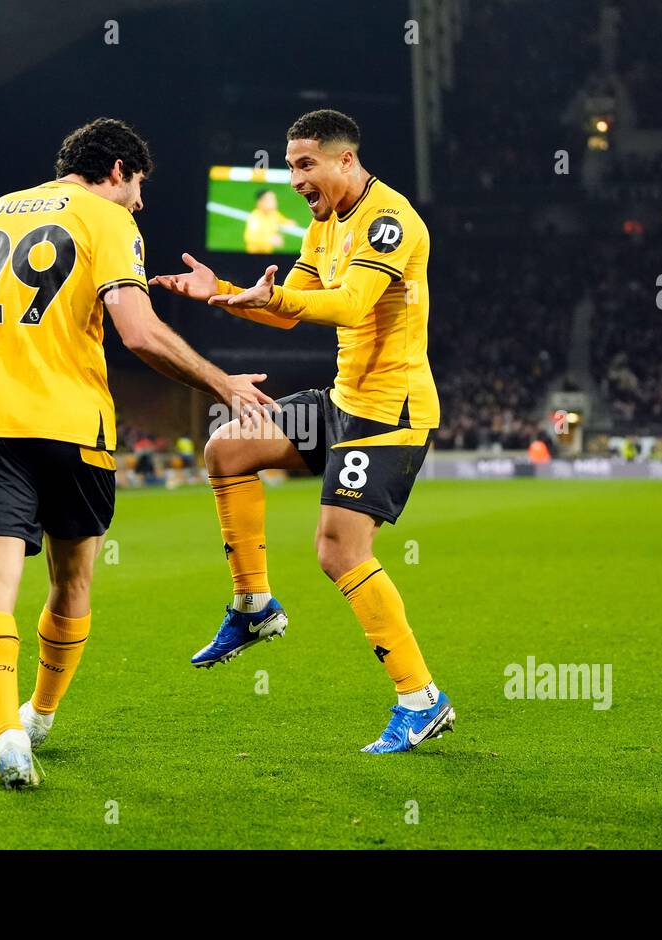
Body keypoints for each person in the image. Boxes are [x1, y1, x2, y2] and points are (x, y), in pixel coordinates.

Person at [0, 117, 272, 788]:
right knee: (71, 585)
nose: (141, 204)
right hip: (76, 431)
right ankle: (40, 714)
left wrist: (8, 376)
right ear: (119, 170)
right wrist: (221, 382)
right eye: (140, 188)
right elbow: (140, 332)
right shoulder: (106, 220)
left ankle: (7, 732)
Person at [153, 109, 453, 754]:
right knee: (227, 448)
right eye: (290, 166)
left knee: (339, 551)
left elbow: (346, 306)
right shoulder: (323, 227)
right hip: (341, 399)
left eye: (305, 164)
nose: (294, 180)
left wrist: (273, 299)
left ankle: (421, 698)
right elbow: (286, 311)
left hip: (388, 412)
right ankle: (254, 606)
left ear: (346, 160)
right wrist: (222, 293)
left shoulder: (388, 220)